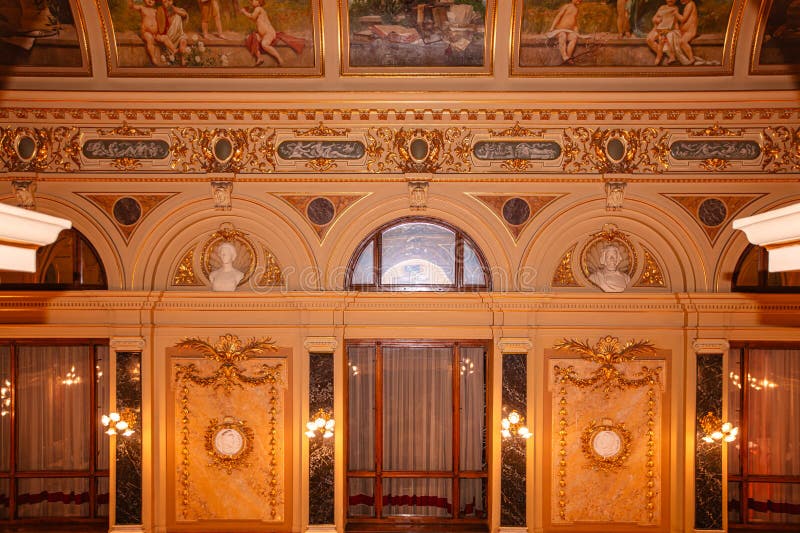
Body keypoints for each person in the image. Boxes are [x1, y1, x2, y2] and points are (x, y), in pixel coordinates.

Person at [129, 0, 177, 66]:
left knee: (165, 37)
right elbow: (131, 6)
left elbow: (163, 19)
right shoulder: (142, 8)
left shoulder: (156, 10)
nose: (150, 0)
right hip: (146, 32)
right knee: (149, 38)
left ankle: (174, 50)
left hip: (156, 33)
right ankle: (153, 58)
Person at [240, 0, 283, 66]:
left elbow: (252, 17)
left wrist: (244, 12)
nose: (251, 2)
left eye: (253, 0)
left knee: (264, 44)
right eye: (251, 1)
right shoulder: (257, 9)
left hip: (269, 33)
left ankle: (279, 58)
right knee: (251, 38)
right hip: (262, 35)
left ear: (259, 1)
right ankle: (259, 57)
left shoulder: (258, 9)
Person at [546, 0, 582, 64]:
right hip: (560, 30)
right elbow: (558, 16)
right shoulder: (567, 6)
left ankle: (568, 56)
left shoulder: (576, 9)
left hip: (569, 30)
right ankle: (564, 56)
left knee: (574, 37)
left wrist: (577, 32)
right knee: (563, 35)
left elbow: (575, 22)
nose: (579, 1)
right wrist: (552, 27)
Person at [646, 0, 680, 65]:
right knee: (649, 39)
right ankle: (660, 53)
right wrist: (657, 20)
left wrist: (677, 29)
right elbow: (653, 18)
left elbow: (675, 22)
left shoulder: (675, 8)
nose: (670, 0)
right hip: (657, 27)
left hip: (666, 29)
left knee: (662, 40)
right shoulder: (662, 7)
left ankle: (659, 56)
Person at [161, 0, 190, 65]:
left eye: (169, 0)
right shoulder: (161, 12)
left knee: (183, 41)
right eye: (165, 1)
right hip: (168, 38)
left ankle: (183, 60)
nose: (168, 3)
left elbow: (185, 15)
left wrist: (174, 9)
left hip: (179, 36)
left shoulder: (178, 11)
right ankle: (175, 52)